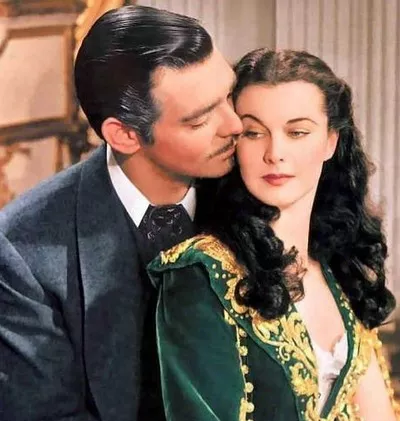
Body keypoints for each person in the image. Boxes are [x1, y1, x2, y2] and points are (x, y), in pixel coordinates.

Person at [0, 5, 242, 421]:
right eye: (201, 119)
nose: (235, 125)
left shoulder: (257, 188)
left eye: (230, 96)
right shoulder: (24, 250)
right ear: (125, 135)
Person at [148, 49, 399, 421]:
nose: (274, 153)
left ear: (330, 141)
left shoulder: (339, 271)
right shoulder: (200, 272)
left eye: (297, 132)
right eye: (253, 132)